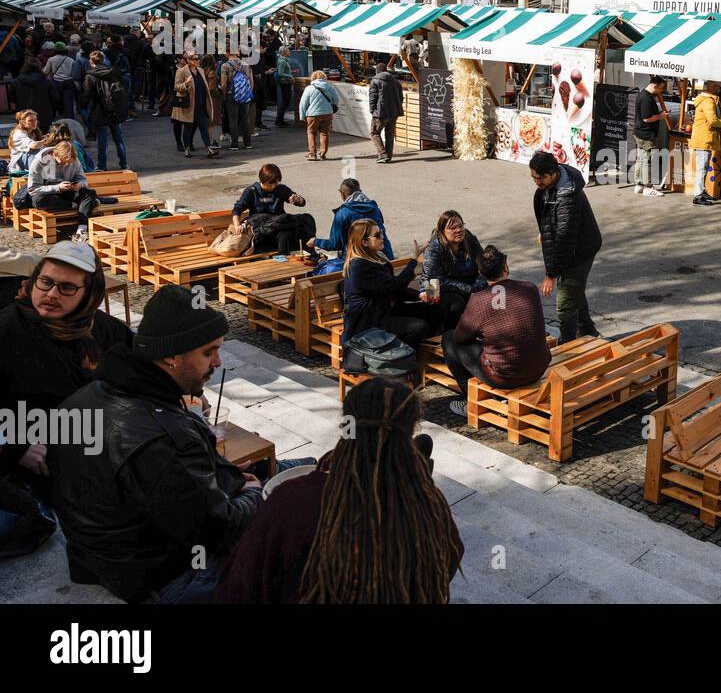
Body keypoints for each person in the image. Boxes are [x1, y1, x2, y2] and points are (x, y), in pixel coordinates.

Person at [47, 286, 260, 603]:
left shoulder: (94, 393)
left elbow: (165, 489)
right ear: (172, 356)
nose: (217, 362)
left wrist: (221, 474)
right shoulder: (160, 437)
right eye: (208, 352)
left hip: (96, 554)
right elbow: (218, 529)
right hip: (161, 575)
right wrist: (256, 494)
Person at [217, 378, 463, 603]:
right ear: (411, 431)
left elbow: (239, 586)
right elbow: (448, 562)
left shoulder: (294, 500)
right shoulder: (430, 504)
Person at [0, 243, 132, 496]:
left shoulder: (101, 327)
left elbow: (141, 366)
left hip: (99, 467)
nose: (51, 294)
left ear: (89, 294)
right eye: (45, 282)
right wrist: (16, 445)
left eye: (67, 287)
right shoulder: (7, 330)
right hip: (40, 481)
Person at [443, 246, 551, 419]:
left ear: (480, 273)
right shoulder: (530, 288)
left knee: (448, 339)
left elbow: (459, 337)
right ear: (506, 268)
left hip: (504, 376)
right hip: (539, 366)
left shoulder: (479, 300)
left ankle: (469, 400)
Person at [530, 150, 602, 344]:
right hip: (571, 246)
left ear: (554, 173)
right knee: (573, 289)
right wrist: (542, 231)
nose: (537, 182)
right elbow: (548, 215)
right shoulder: (553, 185)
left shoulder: (567, 199)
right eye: (534, 178)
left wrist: (551, 275)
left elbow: (564, 240)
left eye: (541, 178)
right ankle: (587, 330)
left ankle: (567, 344)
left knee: (565, 303)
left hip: (580, 250)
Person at [341, 219, 434, 348]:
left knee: (433, 310)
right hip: (370, 322)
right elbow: (396, 285)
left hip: (385, 310)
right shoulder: (359, 266)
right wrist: (413, 259)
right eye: (377, 235)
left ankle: (424, 351)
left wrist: (418, 295)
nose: (382, 237)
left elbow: (391, 288)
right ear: (364, 242)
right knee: (418, 327)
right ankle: (396, 359)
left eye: (382, 232)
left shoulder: (377, 257)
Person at [418, 210, 487, 330]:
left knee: (497, 293)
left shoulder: (469, 239)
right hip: (438, 287)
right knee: (457, 304)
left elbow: (484, 265)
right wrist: (469, 290)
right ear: (442, 231)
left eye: (460, 226)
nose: (458, 230)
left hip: (469, 286)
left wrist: (477, 287)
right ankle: (452, 335)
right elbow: (433, 280)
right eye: (452, 228)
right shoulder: (434, 248)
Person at [231, 163, 311, 256]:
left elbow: (301, 202)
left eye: (276, 182)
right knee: (284, 226)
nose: (274, 185)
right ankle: (283, 258)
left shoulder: (280, 189)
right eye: (271, 183)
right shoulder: (251, 191)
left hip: (278, 228)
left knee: (293, 226)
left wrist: (297, 199)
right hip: (260, 231)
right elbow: (237, 209)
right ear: (263, 179)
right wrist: (237, 225)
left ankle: (284, 259)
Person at [307, 178, 392, 258]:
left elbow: (335, 244)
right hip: (386, 256)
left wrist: (315, 242)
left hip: (360, 259)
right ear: (360, 192)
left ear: (342, 194)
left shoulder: (343, 214)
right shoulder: (375, 208)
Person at [27, 140, 96, 233]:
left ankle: (81, 228)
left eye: (69, 162)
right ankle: (75, 205)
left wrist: (79, 184)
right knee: (39, 200)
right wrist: (57, 187)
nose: (67, 164)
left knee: (90, 193)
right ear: (54, 155)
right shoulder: (39, 162)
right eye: (63, 162)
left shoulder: (74, 159)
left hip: (68, 192)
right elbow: (33, 189)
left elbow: (83, 180)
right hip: (50, 195)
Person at [80, 51, 129, 171]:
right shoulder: (114, 72)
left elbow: (86, 95)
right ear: (103, 60)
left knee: (102, 140)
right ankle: (124, 163)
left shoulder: (90, 76)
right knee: (118, 138)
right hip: (115, 110)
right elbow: (125, 87)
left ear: (91, 62)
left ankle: (102, 165)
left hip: (99, 110)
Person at [688, 80, 721, 206]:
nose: (719, 89)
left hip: (704, 138)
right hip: (704, 139)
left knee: (703, 167)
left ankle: (701, 191)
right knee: (702, 168)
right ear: (711, 87)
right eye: (717, 86)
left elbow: (720, 110)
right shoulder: (708, 101)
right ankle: (698, 195)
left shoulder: (709, 100)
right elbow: (713, 121)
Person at [173, 49, 218, 159]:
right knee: (188, 128)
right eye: (195, 59)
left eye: (198, 59)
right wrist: (186, 84)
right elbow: (177, 87)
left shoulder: (200, 70)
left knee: (203, 127)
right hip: (189, 105)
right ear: (188, 60)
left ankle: (209, 148)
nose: (198, 60)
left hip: (201, 104)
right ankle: (187, 149)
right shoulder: (181, 71)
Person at [633, 75, 670, 197]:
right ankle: (648, 187)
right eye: (661, 89)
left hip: (641, 132)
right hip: (646, 134)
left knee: (641, 159)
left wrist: (659, 114)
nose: (661, 91)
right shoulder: (646, 98)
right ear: (655, 86)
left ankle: (639, 184)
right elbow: (647, 118)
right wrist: (661, 116)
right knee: (647, 160)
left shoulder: (644, 95)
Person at [220, 50, 257, 151]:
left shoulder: (225, 66)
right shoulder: (246, 65)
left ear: (227, 53)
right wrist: (247, 93)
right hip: (245, 96)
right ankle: (247, 143)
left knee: (233, 120)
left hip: (231, 95)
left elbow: (223, 84)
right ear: (238, 53)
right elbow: (251, 82)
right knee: (245, 119)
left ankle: (234, 144)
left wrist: (224, 95)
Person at [299, 70, 339, 161]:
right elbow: (336, 100)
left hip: (313, 115)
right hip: (327, 113)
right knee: (324, 133)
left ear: (313, 78)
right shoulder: (329, 87)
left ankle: (312, 154)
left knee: (311, 132)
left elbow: (303, 103)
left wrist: (302, 115)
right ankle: (322, 154)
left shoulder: (309, 88)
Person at [368, 61, 403, 163]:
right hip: (394, 112)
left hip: (380, 112)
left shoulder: (375, 81)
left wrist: (372, 110)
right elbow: (400, 98)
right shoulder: (396, 82)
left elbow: (373, 97)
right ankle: (388, 155)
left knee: (374, 132)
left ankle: (383, 154)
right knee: (389, 134)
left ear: (377, 71)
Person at [12, 58, 58, 131]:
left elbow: (12, 101)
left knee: (26, 139)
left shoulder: (16, 82)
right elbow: (55, 99)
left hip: (24, 117)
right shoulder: (47, 82)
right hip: (44, 117)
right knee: (43, 139)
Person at [43, 42, 79, 118]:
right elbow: (74, 73)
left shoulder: (51, 59)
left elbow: (45, 72)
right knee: (68, 101)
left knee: (56, 99)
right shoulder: (71, 60)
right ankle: (70, 119)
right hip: (69, 82)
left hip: (56, 82)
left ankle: (56, 115)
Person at [274, 47, 296, 127]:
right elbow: (280, 73)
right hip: (285, 83)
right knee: (285, 102)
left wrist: (291, 72)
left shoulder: (282, 60)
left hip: (285, 82)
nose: (289, 52)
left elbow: (282, 71)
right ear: (284, 52)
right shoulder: (283, 61)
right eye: (288, 51)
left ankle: (280, 120)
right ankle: (279, 120)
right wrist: (290, 76)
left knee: (285, 101)